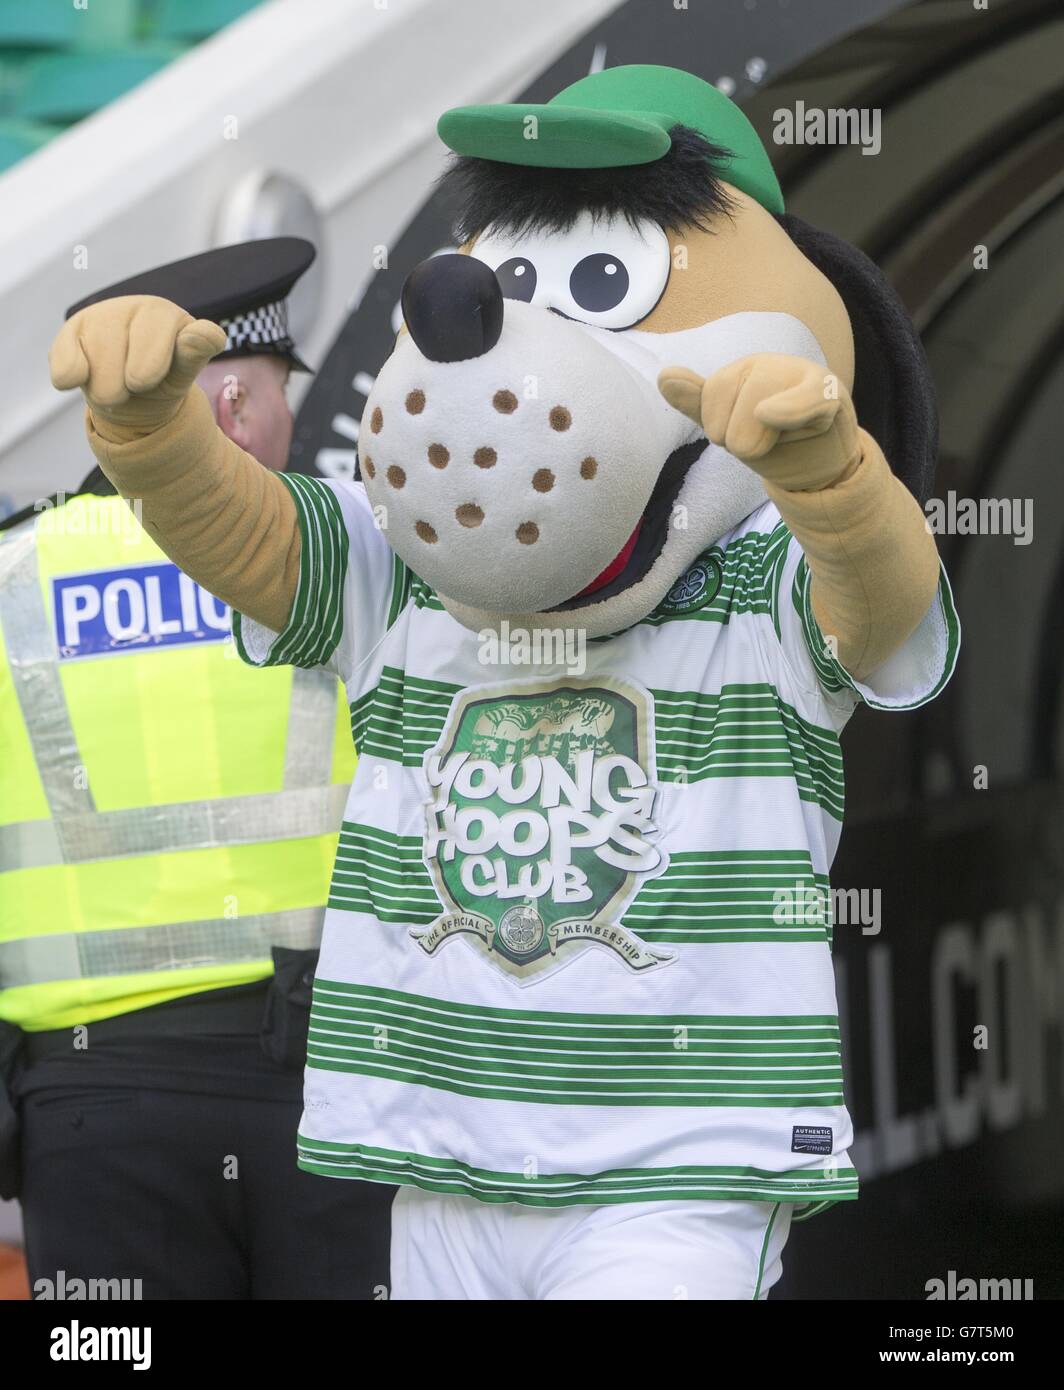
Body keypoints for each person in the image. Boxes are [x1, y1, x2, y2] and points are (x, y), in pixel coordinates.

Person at [49, 68, 959, 1301]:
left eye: (599, 287)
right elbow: (259, 537)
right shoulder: (407, 579)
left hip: (673, 1170)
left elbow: (881, 604)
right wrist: (155, 440)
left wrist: (836, 476)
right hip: (445, 1161)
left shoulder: (762, 584)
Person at [2, 239, 392, 1300]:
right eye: (273, 401)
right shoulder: (341, 559)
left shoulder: (11, 575)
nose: (288, 431)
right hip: (329, 1083)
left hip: (92, 1107)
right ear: (224, 407)